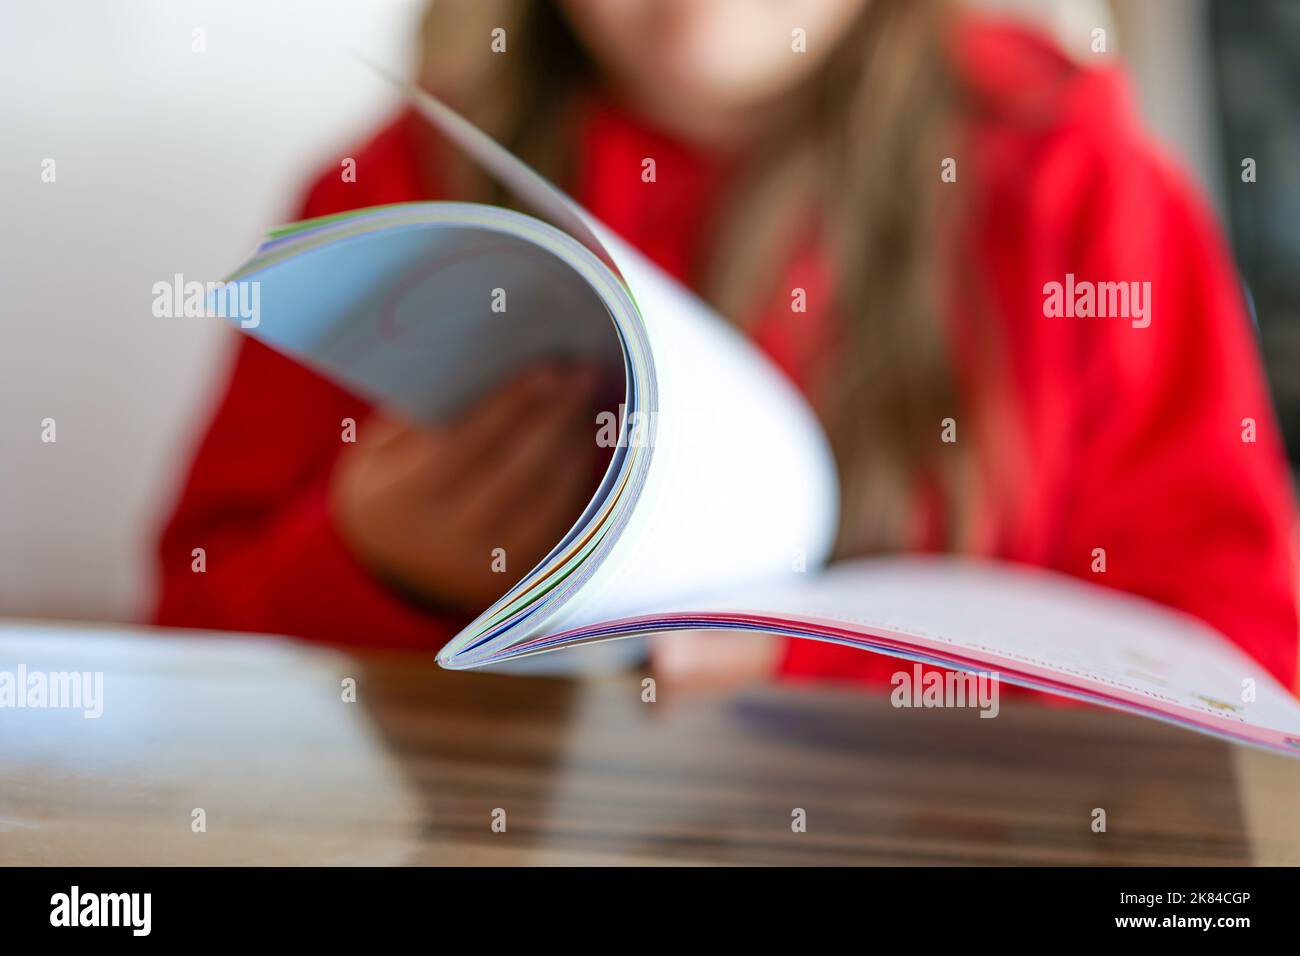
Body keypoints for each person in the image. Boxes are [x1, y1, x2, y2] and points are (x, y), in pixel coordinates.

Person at [154, 0, 1300, 694]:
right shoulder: (387, 204)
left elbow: (1245, 663)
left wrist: (808, 670)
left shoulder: (1082, 196)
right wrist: (372, 557)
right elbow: (183, 639)